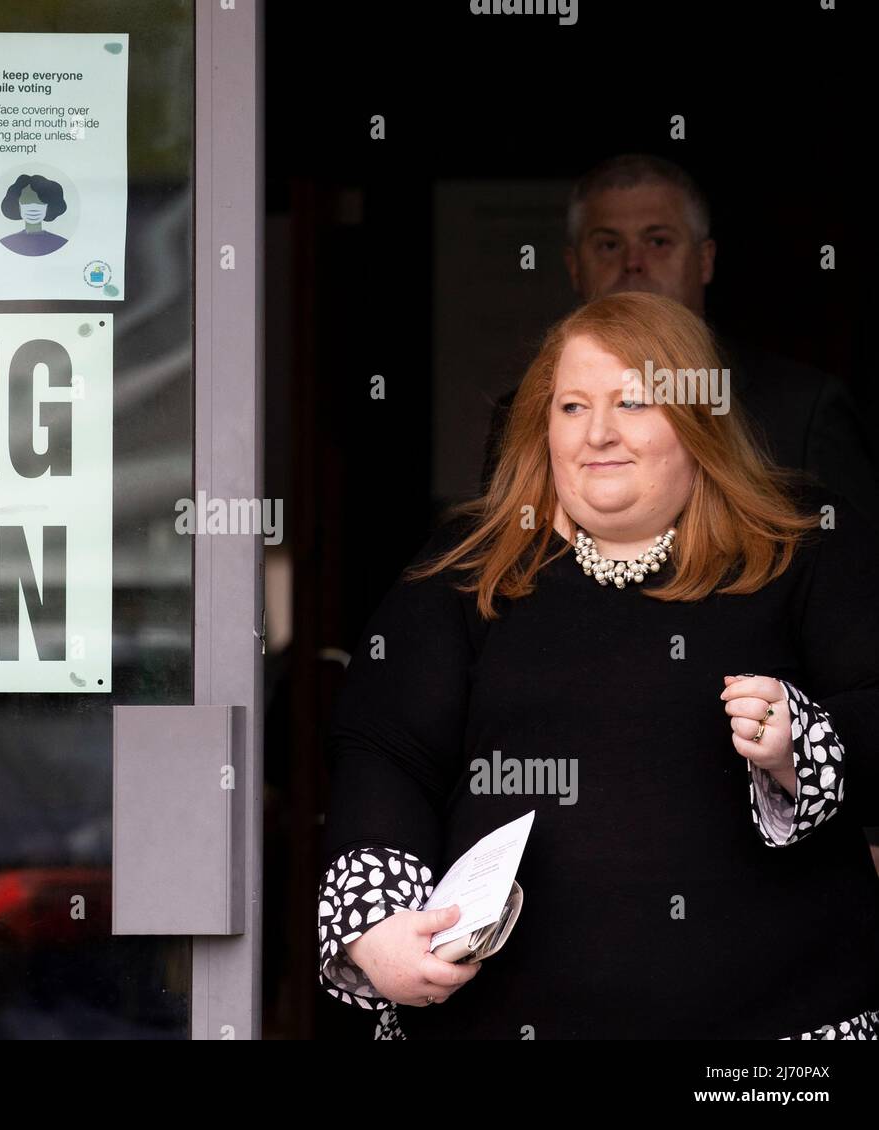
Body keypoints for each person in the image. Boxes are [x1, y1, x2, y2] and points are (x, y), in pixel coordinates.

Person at [318, 291, 879, 1039]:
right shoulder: (471, 568)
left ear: (697, 419)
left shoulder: (801, 548)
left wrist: (801, 744)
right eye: (573, 408)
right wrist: (378, 923)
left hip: (772, 1033)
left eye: (634, 402)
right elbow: (383, 750)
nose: (599, 434)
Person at [479, 154, 879, 528]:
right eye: (608, 244)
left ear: (705, 260)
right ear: (574, 267)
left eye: (658, 241)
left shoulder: (806, 407)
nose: (632, 261)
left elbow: (855, 579)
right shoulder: (521, 412)